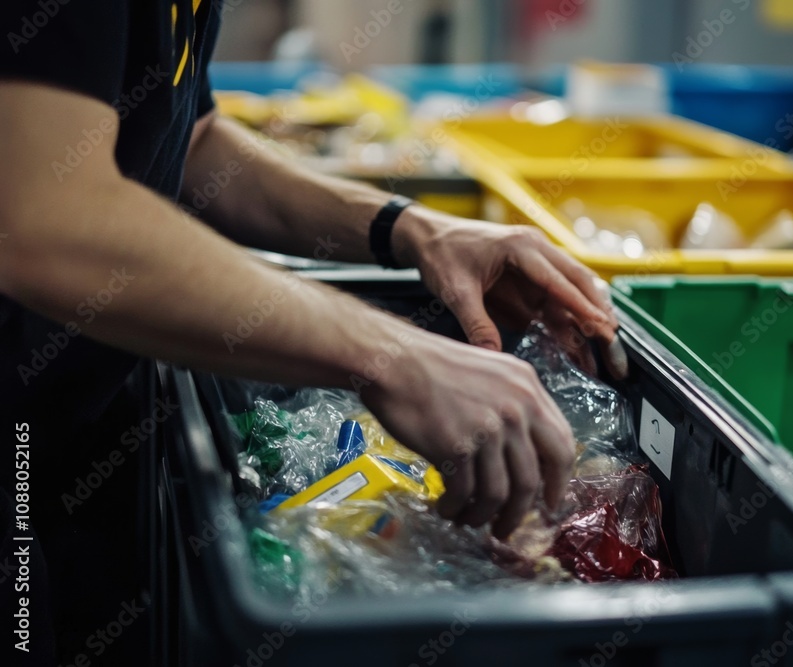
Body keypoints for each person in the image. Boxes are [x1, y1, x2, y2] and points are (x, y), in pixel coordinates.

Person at [0, 1, 623, 663]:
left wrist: (412, 229)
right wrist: (391, 354)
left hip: (65, 430)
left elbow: (190, 139)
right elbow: (47, 219)